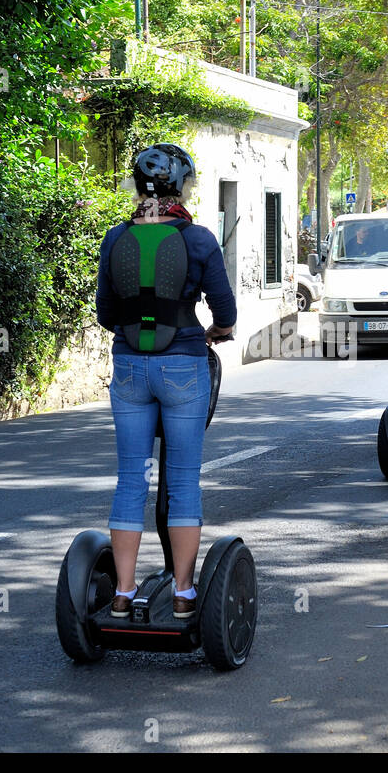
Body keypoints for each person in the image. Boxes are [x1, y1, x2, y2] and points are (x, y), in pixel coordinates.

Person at [96, 143, 236, 619]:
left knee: (131, 478)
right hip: (184, 365)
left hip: (131, 368)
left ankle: (123, 591)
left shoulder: (116, 238)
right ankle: (182, 593)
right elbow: (226, 313)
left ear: (137, 187)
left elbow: (106, 314)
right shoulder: (198, 239)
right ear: (182, 187)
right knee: (182, 481)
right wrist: (217, 332)